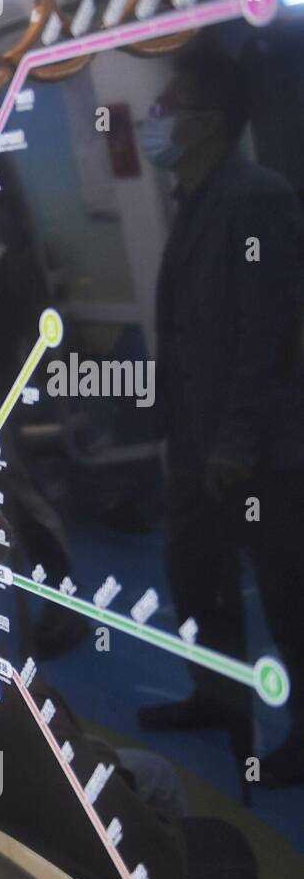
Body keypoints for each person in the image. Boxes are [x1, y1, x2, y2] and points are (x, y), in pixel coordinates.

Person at [135, 48, 304, 787]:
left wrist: (233, 440)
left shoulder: (255, 198)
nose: (153, 121)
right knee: (194, 575)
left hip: (254, 450)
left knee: (287, 596)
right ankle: (217, 691)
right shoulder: (196, 201)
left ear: (206, 124)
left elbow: (271, 333)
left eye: (164, 108)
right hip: (194, 440)